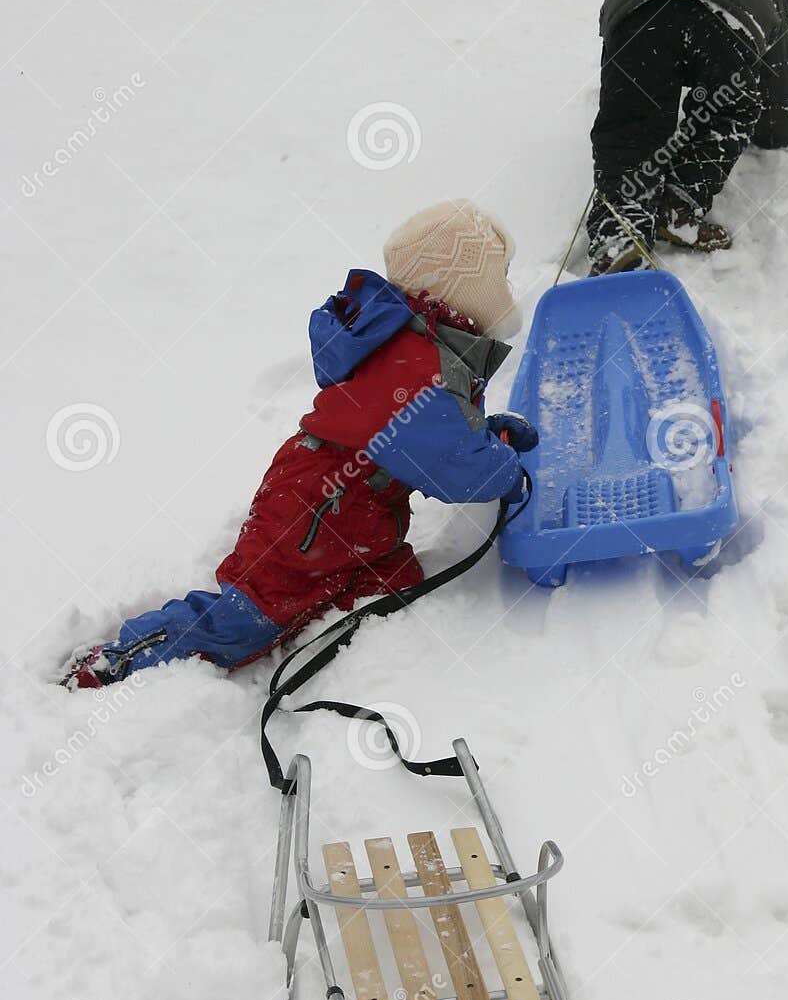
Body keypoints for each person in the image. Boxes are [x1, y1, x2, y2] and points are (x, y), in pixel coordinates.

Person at [63, 201, 537, 689]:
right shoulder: (416, 365)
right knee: (250, 617)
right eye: (499, 276)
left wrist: (490, 433)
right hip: (315, 510)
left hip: (352, 514)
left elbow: (438, 435)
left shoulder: (415, 349)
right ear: (463, 287)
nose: (506, 291)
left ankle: (327, 618)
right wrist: (507, 471)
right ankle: (117, 660)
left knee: (390, 585)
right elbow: (453, 462)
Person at [587, 0, 788, 274]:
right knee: (731, 106)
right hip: (721, 17)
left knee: (632, 123)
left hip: (638, 10)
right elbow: (781, 68)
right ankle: (679, 205)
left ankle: (619, 235)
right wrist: (773, 126)